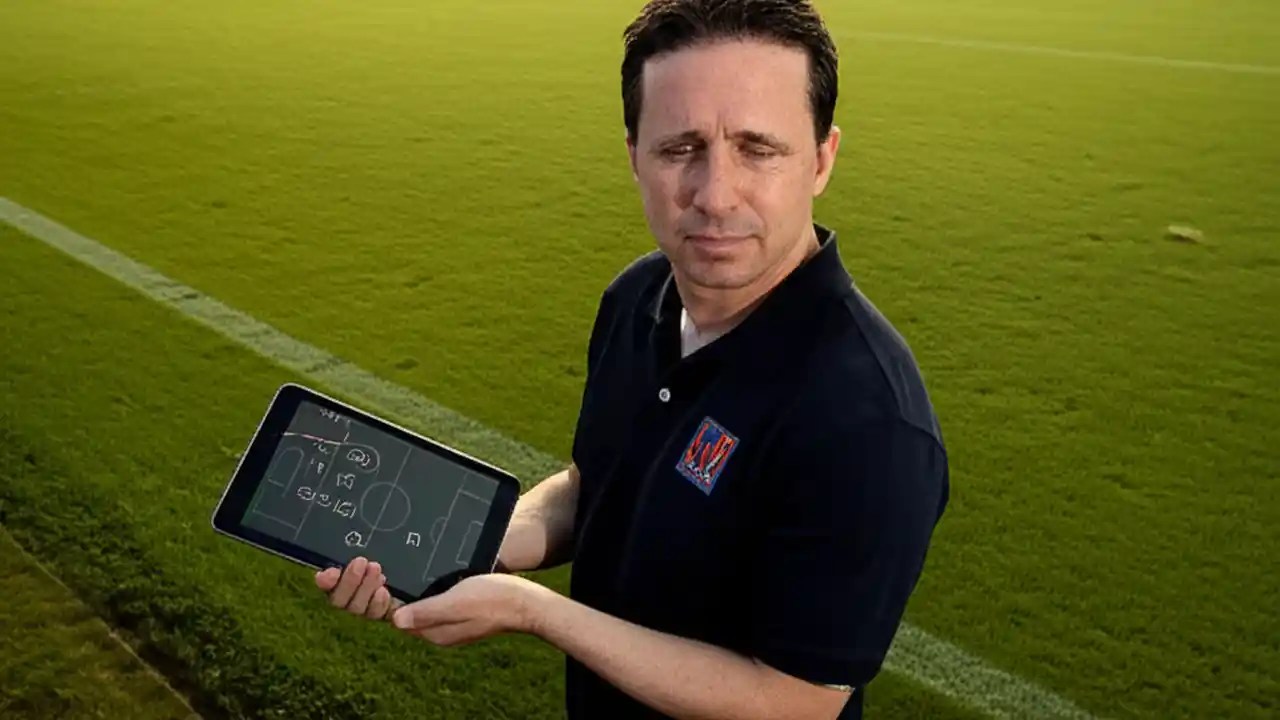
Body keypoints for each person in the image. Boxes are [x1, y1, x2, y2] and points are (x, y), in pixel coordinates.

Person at [315, 1, 949, 717]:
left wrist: (534, 611)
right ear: (633, 157)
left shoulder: (869, 422)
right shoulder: (637, 295)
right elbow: (600, 484)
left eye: (758, 149)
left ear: (823, 160)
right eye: (680, 149)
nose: (715, 195)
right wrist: (475, 543)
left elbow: (793, 702)